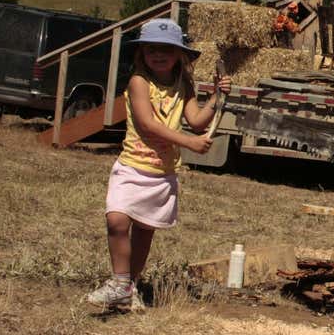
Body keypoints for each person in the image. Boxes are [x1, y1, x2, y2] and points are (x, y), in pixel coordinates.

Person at [85, 19, 231, 311]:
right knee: (116, 220)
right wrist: (189, 143)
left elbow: (197, 121)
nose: (158, 54)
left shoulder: (183, 85)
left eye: (166, 49)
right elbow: (147, 124)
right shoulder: (139, 82)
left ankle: (130, 287)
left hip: (162, 174)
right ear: (142, 53)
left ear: (179, 54)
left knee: (144, 231)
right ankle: (119, 282)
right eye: (152, 49)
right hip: (132, 166)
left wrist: (216, 96)